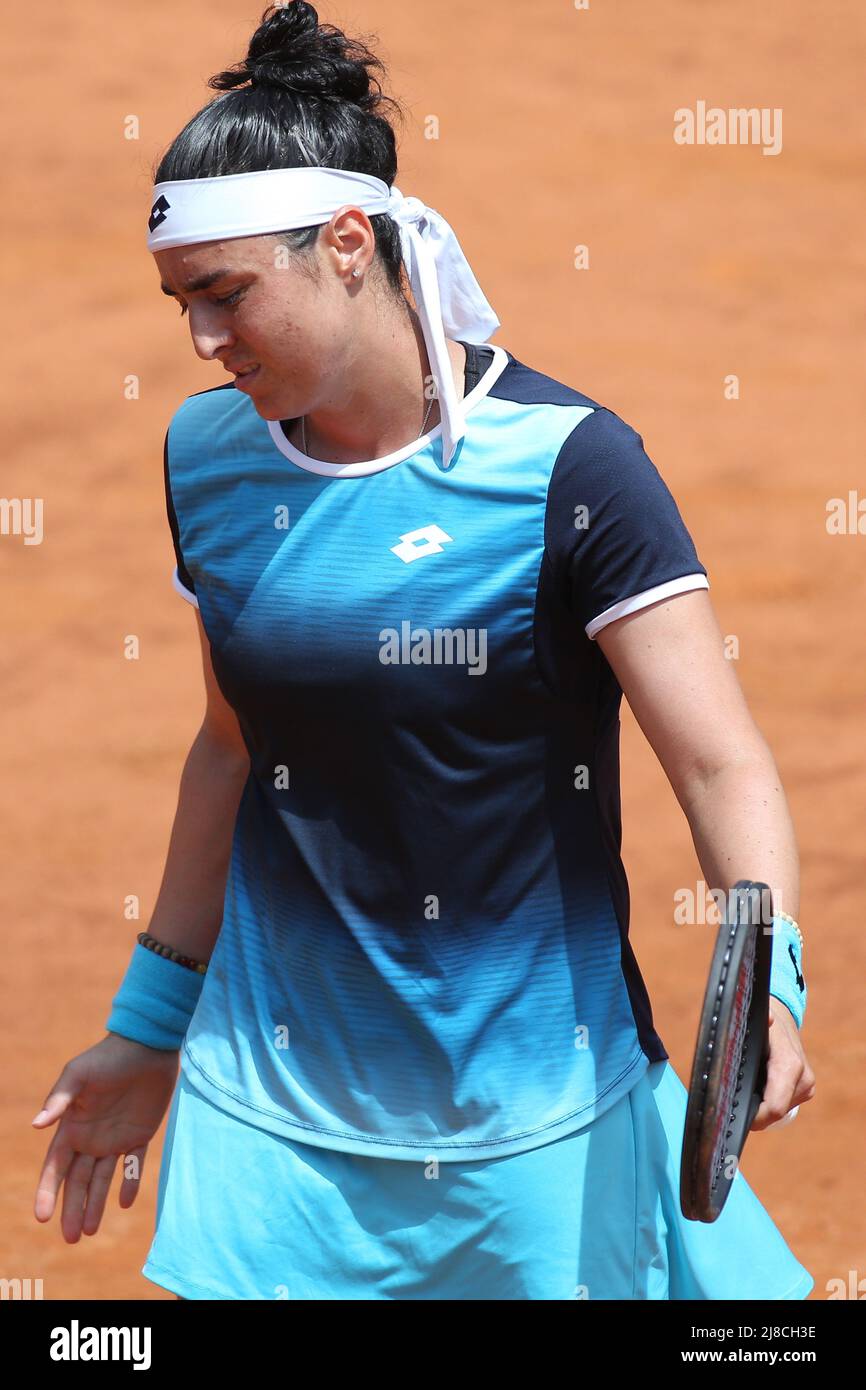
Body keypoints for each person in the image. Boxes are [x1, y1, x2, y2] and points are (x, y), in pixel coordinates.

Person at [32, 1, 816, 1300]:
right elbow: (232, 751)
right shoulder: (207, 458)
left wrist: (763, 986)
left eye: (227, 295)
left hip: (529, 1112)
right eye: (180, 305)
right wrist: (146, 1030)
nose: (202, 344)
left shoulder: (571, 470)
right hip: (268, 1102)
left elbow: (721, 764)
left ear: (348, 245)